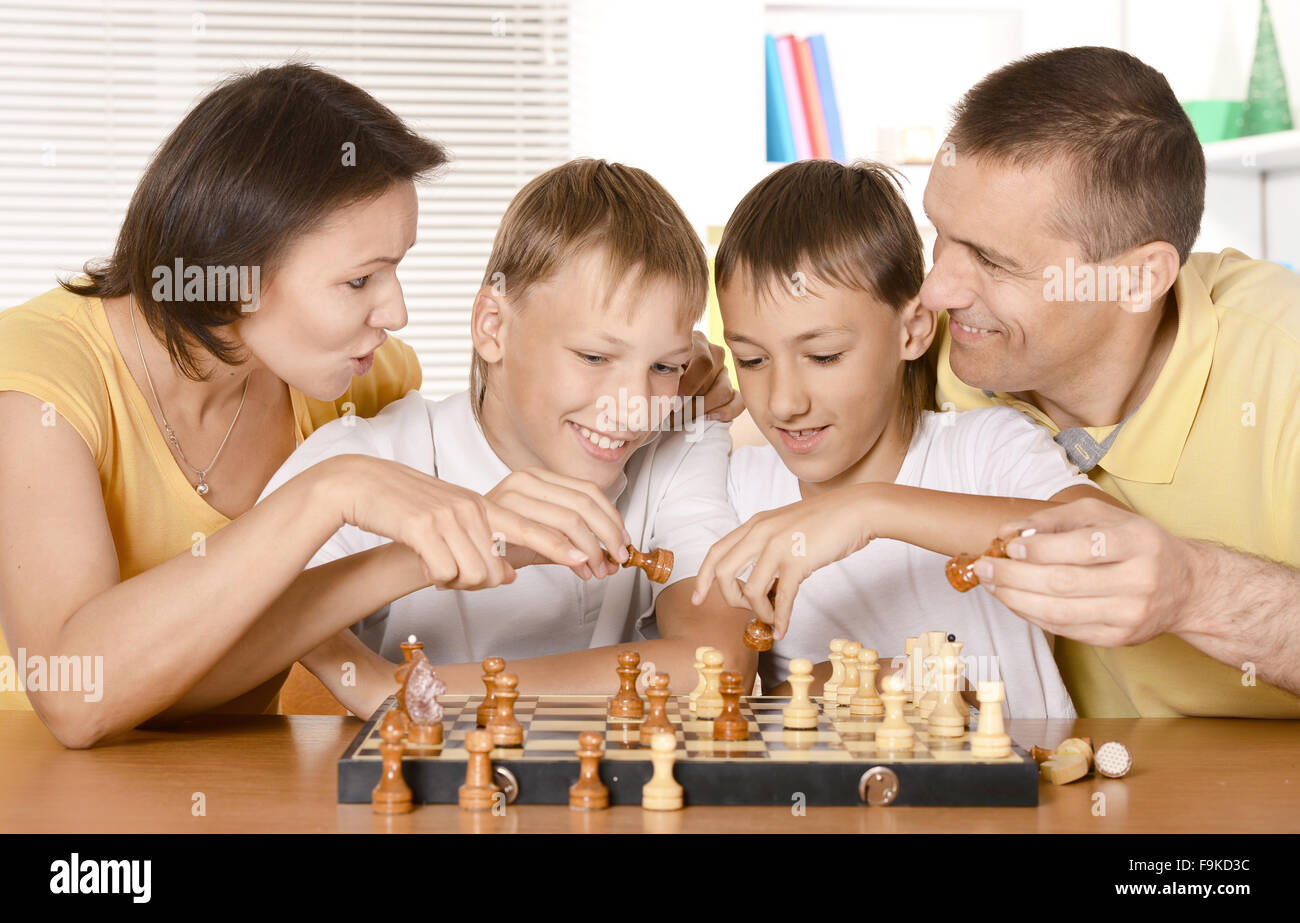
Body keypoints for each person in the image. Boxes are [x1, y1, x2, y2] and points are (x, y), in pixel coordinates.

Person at [0, 63, 737, 747]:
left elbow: (517, 393)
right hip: (36, 766)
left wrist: (669, 375)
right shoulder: (37, 382)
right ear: (234, 270)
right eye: (360, 281)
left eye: (399, 267)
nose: (397, 310)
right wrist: (336, 490)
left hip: (200, 765)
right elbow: (76, 696)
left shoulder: (359, 374)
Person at [257, 158, 755, 718]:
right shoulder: (363, 463)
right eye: (594, 356)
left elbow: (716, 665)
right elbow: (240, 635)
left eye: (665, 367)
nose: (634, 406)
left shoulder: (679, 446)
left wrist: (407, 691)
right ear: (493, 327)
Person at [920, 46, 1300, 716]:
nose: (937, 287)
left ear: (1138, 277)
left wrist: (1196, 588)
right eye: (941, 236)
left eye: (991, 260)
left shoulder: (1284, 363)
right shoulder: (939, 346)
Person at [690, 159, 1123, 717]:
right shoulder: (734, 495)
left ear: (912, 330)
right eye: (752, 359)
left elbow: (1114, 548)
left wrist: (872, 510)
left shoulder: (985, 451)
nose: (782, 402)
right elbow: (722, 695)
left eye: (824, 356)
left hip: (1021, 800)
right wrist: (843, 681)